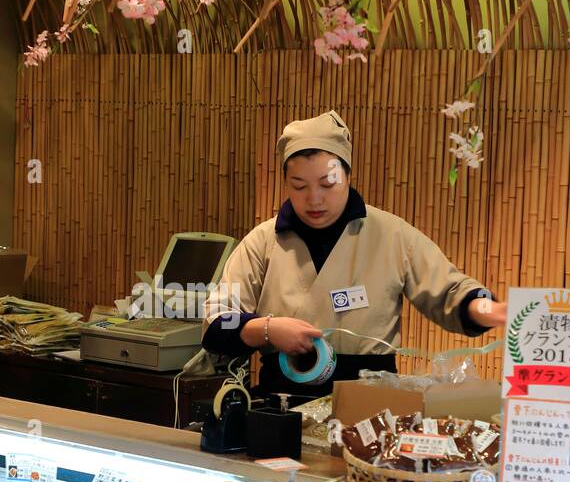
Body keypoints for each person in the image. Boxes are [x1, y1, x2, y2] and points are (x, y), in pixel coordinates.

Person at [202, 110, 506, 395]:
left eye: (327, 183)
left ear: (348, 176)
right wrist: (267, 329)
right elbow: (218, 323)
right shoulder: (264, 241)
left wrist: (486, 309)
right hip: (281, 401)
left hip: (369, 404)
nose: (314, 199)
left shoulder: (391, 234)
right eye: (299, 186)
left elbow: (450, 292)